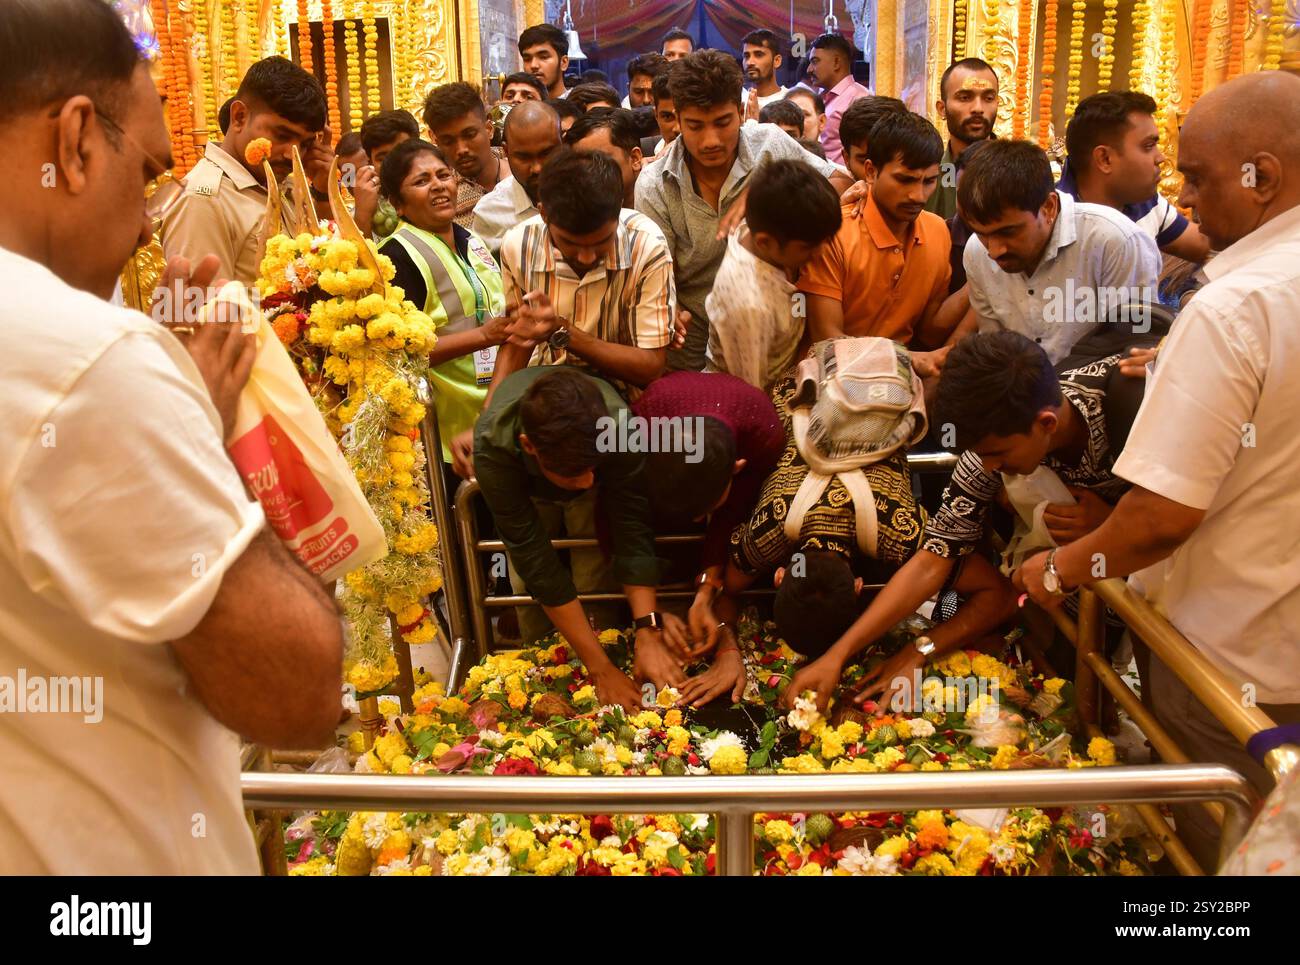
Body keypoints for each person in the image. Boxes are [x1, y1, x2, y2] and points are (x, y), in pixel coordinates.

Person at [0, 0, 342, 874]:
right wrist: (200, 428)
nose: (150, 220)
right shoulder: (89, 356)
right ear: (77, 141)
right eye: (147, 172)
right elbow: (297, 693)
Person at [1014, 71, 1300, 872]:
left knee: (1223, 870)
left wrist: (1055, 570)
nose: (1183, 195)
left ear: (1262, 177)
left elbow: (1161, 516)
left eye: (1198, 177)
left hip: (1231, 664)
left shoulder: (1235, 306)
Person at [784, 330, 1133, 711]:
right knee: (1073, 683)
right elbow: (934, 558)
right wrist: (844, 655)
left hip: (1169, 590)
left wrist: (1119, 522)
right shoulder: (990, 450)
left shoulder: (1132, 415)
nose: (989, 469)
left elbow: (1177, 515)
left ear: (1046, 424)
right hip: (1075, 594)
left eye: (997, 455)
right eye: (980, 455)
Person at [636, 49, 851, 372]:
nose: (711, 140)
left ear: (741, 112)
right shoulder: (654, 185)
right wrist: (670, 309)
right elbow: (657, 280)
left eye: (723, 123)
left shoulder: (770, 144)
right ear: (677, 120)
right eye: (695, 126)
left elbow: (841, 182)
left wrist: (766, 193)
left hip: (781, 347)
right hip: (692, 359)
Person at [471, 367, 673, 707]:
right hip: (527, 487)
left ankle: (610, 652)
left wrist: (647, 631)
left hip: (600, 477)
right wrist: (598, 670)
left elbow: (632, 526)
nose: (587, 481)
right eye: (575, 473)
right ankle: (549, 667)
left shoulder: (621, 428)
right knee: (528, 586)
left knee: (596, 575)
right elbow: (534, 559)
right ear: (529, 445)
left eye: (591, 469)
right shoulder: (493, 445)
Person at [631, 372, 785, 704]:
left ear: (736, 468)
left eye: (705, 509)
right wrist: (648, 620)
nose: (699, 520)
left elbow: (733, 519)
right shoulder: (638, 428)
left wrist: (706, 594)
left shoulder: (765, 436)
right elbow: (623, 521)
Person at [486, 148, 675, 402]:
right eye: (571, 243)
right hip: (544, 392)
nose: (586, 257)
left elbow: (651, 366)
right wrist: (488, 416)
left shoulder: (646, 247)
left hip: (622, 400)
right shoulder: (518, 246)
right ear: (543, 214)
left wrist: (563, 332)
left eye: (601, 241)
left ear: (619, 209)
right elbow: (517, 339)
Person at [958, 138, 1162, 365]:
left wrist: (1068, 395)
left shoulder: (1115, 241)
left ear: (1048, 207)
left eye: (1008, 232)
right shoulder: (976, 252)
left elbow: (1132, 349)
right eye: (982, 233)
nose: (994, 251)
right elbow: (995, 351)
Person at [378, 140, 507, 474]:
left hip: (496, 411)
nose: (438, 186)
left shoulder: (471, 240)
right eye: (421, 181)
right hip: (446, 431)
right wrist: (484, 336)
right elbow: (399, 355)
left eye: (443, 175)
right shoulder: (396, 257)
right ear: (397, 204)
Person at [161, 56, 327, 286]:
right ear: (239, 117)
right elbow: (204, 316)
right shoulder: (203, 200)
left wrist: (323, 190)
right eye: (282, 135)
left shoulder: (282, 184)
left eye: (305, 144)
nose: (293, 154)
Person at [799, 112, 952, 362]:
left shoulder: (938, 231)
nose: (919, 196)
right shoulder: (835, 234)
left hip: (901, 380)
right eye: (905, 180)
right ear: (870, 172)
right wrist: (911, 360)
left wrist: (983, 280)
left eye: (929, 181)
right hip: (830, 380)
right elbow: (827, 341)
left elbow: (930, 333)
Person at [706, 158, 842, 390]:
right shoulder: (747, 303)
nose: (822, 253)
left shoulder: (777, 232)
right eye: (809, 247)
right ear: (765, 242)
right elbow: (750, 393)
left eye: (826, 241)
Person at [1059, 90, 1212, 262]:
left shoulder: (1143, 202)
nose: (1160, 158)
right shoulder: (1053, 221)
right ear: (1105, 159)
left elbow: (1204, 247)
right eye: (1148, 146)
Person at [471, 100, 562, 255]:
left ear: (563, 144)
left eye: (546, 154)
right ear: (506, 151)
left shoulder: (589, 194)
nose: (537, 168)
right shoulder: (489, 213)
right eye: (524, 157)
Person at [422, 82, 510, 229]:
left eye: (470, 135)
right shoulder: (442, 198)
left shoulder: (520, 168)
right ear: (435, 140)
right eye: (448, 141)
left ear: (488, 129)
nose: (461, 149)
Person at [925, 58, 999, 219]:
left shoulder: (1017, 171)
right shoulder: (925, 175)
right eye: (965, 98)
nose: (978, 108)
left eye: (988, 98)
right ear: (942, 109)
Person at [807, 33, 870, 166]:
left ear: (836, 62)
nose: (809, 69)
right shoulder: (821, 97)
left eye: (815, 61)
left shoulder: (860, 99)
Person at [565, 108, 644, 207]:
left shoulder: (662, 195)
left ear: (635, 158)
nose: (590, 172)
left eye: (600, 160)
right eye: (580, 166)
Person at [835, 94, 907, 183]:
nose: (878, 175)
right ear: (846, 159)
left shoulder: (923, 193)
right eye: (865, 161)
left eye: (890, 160)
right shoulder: (833, 193)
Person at [742, 29, 788, 116]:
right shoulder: (738, 103)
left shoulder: (791, 100)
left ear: (777, 61)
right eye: (746, 56)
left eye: (758, 55)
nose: (749, 62)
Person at [518, 23, 570, 99]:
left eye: (543, 57)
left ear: (563, 62)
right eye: (527, 59)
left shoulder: (579, 106)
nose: (533, 65)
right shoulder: (519, 107)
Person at [650, 67, 679, 152]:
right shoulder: (651, 157)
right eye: (668, 116)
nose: (677, 128)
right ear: (656, 115)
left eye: (685, 117)